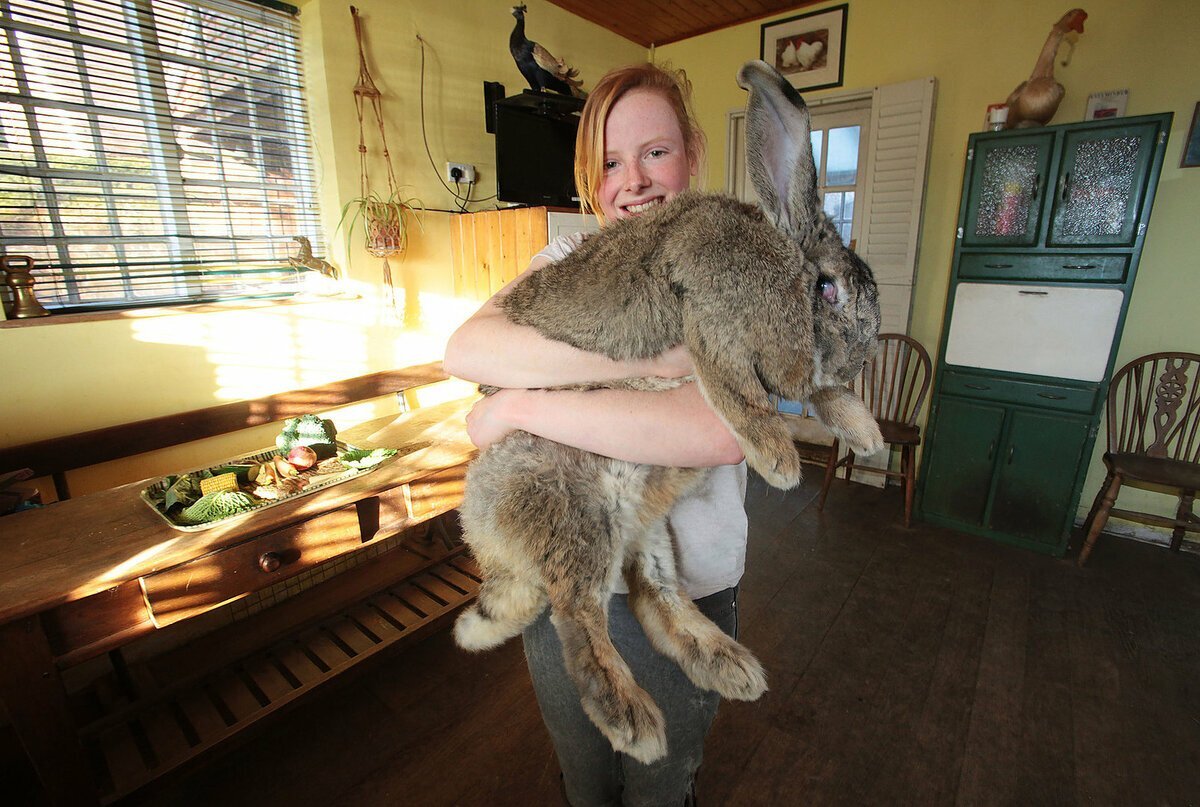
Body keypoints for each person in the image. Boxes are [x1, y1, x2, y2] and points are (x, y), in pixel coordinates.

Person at [443, 62, 748, 807]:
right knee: (583, 777)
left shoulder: (730, 264)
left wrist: (518, 404)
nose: (633, 181)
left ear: (692, 153)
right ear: (590, 176)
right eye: (610, 162)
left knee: (661, 782)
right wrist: (648, 351)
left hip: (689, 592)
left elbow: (715, 431)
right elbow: (466, 348)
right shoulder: (564, 261)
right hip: (569, 580)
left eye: (654, 152)